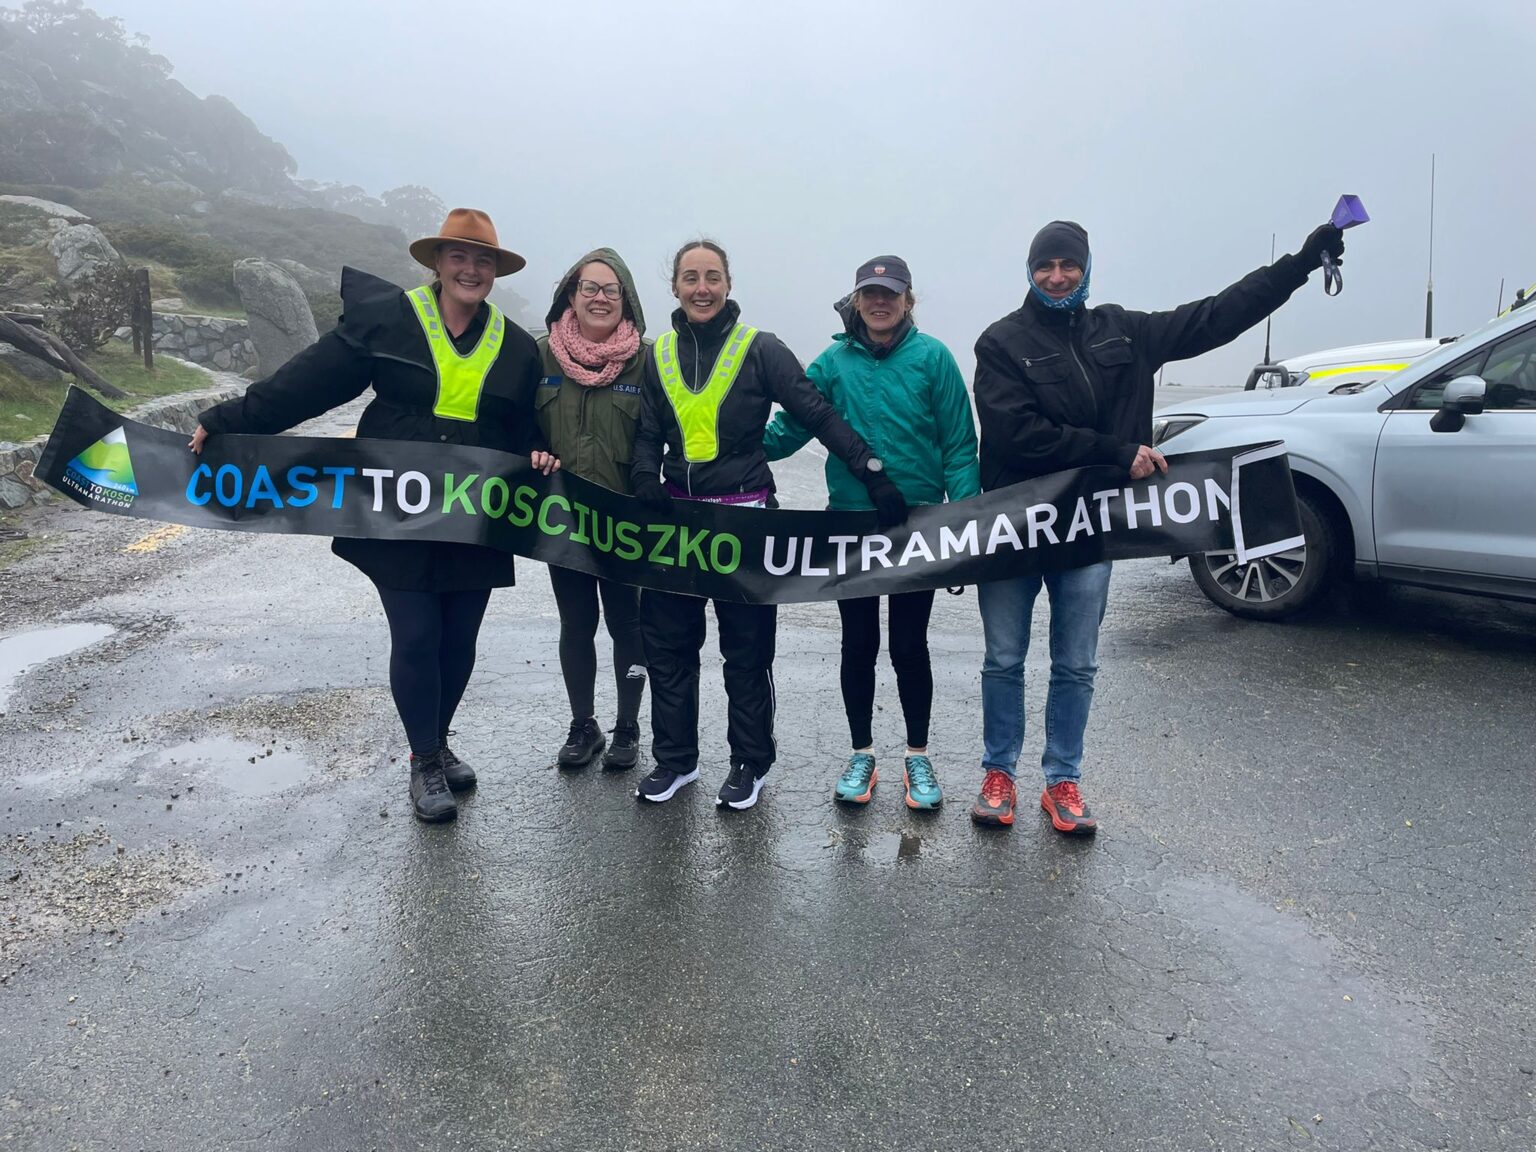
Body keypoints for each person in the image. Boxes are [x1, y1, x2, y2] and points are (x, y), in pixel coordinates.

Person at [970, 218, 1345, 834]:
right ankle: (998, 775)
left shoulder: (1127, 331)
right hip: (1017, 525)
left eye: (1069, 265)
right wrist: (1116, 452)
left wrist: (1302, 263)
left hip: (1095, 529)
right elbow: (1016, 432)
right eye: (1046, 266)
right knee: (1004, 658)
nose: (1057, 276)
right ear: (1030, 271)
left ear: (1086, 269)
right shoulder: (1001, 342)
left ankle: (1063, 781)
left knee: (1076, 663)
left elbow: (1218, 315)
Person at [190, 208, 556, 824]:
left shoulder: (517, 347)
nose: (471, 269)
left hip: (475, 520)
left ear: (495, 271)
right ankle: (422, 761)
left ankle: (437, 741)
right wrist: (227, 421)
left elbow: (524, 427)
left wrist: (540, 451)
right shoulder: (388, 320)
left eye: (483, 260)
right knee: (417, 634)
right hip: (394, 514)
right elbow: (307, 385)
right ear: (436, 262)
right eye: (459, 256)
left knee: (459, 640)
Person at [630, 239, 909, 811]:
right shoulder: (655, 352)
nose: (702, 288)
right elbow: (647, 430)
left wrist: (873, 472)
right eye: (690, 278)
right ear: (675, 287)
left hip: (747, 523)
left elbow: (818, 414)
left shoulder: (762, 350)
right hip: (677, 525)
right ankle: (675, 762)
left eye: (712, 277)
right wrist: (641, 476)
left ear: (728, 284)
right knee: (668, 649)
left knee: (747, 652)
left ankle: (749, 763)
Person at [763, 255, 979, 810]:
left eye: (891, 293)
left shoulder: (934, 359)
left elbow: (958, 445)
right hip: (851, 523)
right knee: (858, 643)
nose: (880, 303)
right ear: (856, 300)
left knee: (910, 644)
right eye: (870, 293)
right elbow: (788, 429)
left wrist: (966, 525)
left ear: (908, 299)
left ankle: (917, 755)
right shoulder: (833, 362)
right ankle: (861, 753)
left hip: (918, 525)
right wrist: (723, 455)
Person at [533, 249, 650, 772]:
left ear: (626, 299)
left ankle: (628, 727)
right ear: (570, 295)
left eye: (611, 290)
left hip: (625, 524)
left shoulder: (648, 361)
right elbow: (515, 426)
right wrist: (528, 453)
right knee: (575, 623)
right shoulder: (540, 357)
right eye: (589, 288)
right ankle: (584, 725)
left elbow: (662, 436)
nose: (600, 298)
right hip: (563, 522)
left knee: (628, 626)